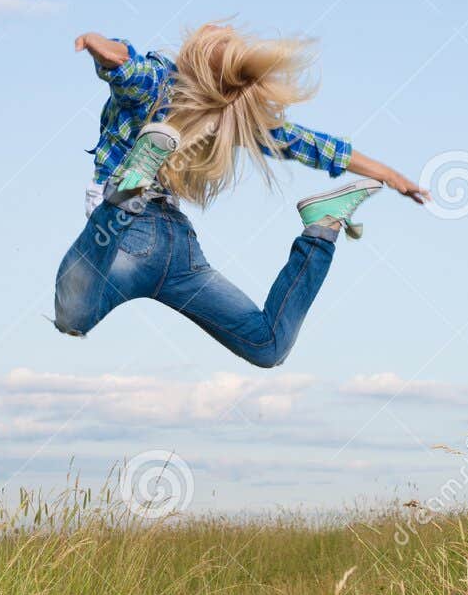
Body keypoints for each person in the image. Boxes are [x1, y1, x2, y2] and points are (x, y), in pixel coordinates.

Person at [53, 24, 428, 367]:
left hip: (129, 239)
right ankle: (322, 230)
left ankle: (126, 193)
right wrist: (388, 174)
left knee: (73, 317)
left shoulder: (160, 82)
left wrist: (95, 41)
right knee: (268, 347)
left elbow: (123, 63)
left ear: (195, 54)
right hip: (178, 250)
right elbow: (308, 145)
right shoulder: (231, 114)